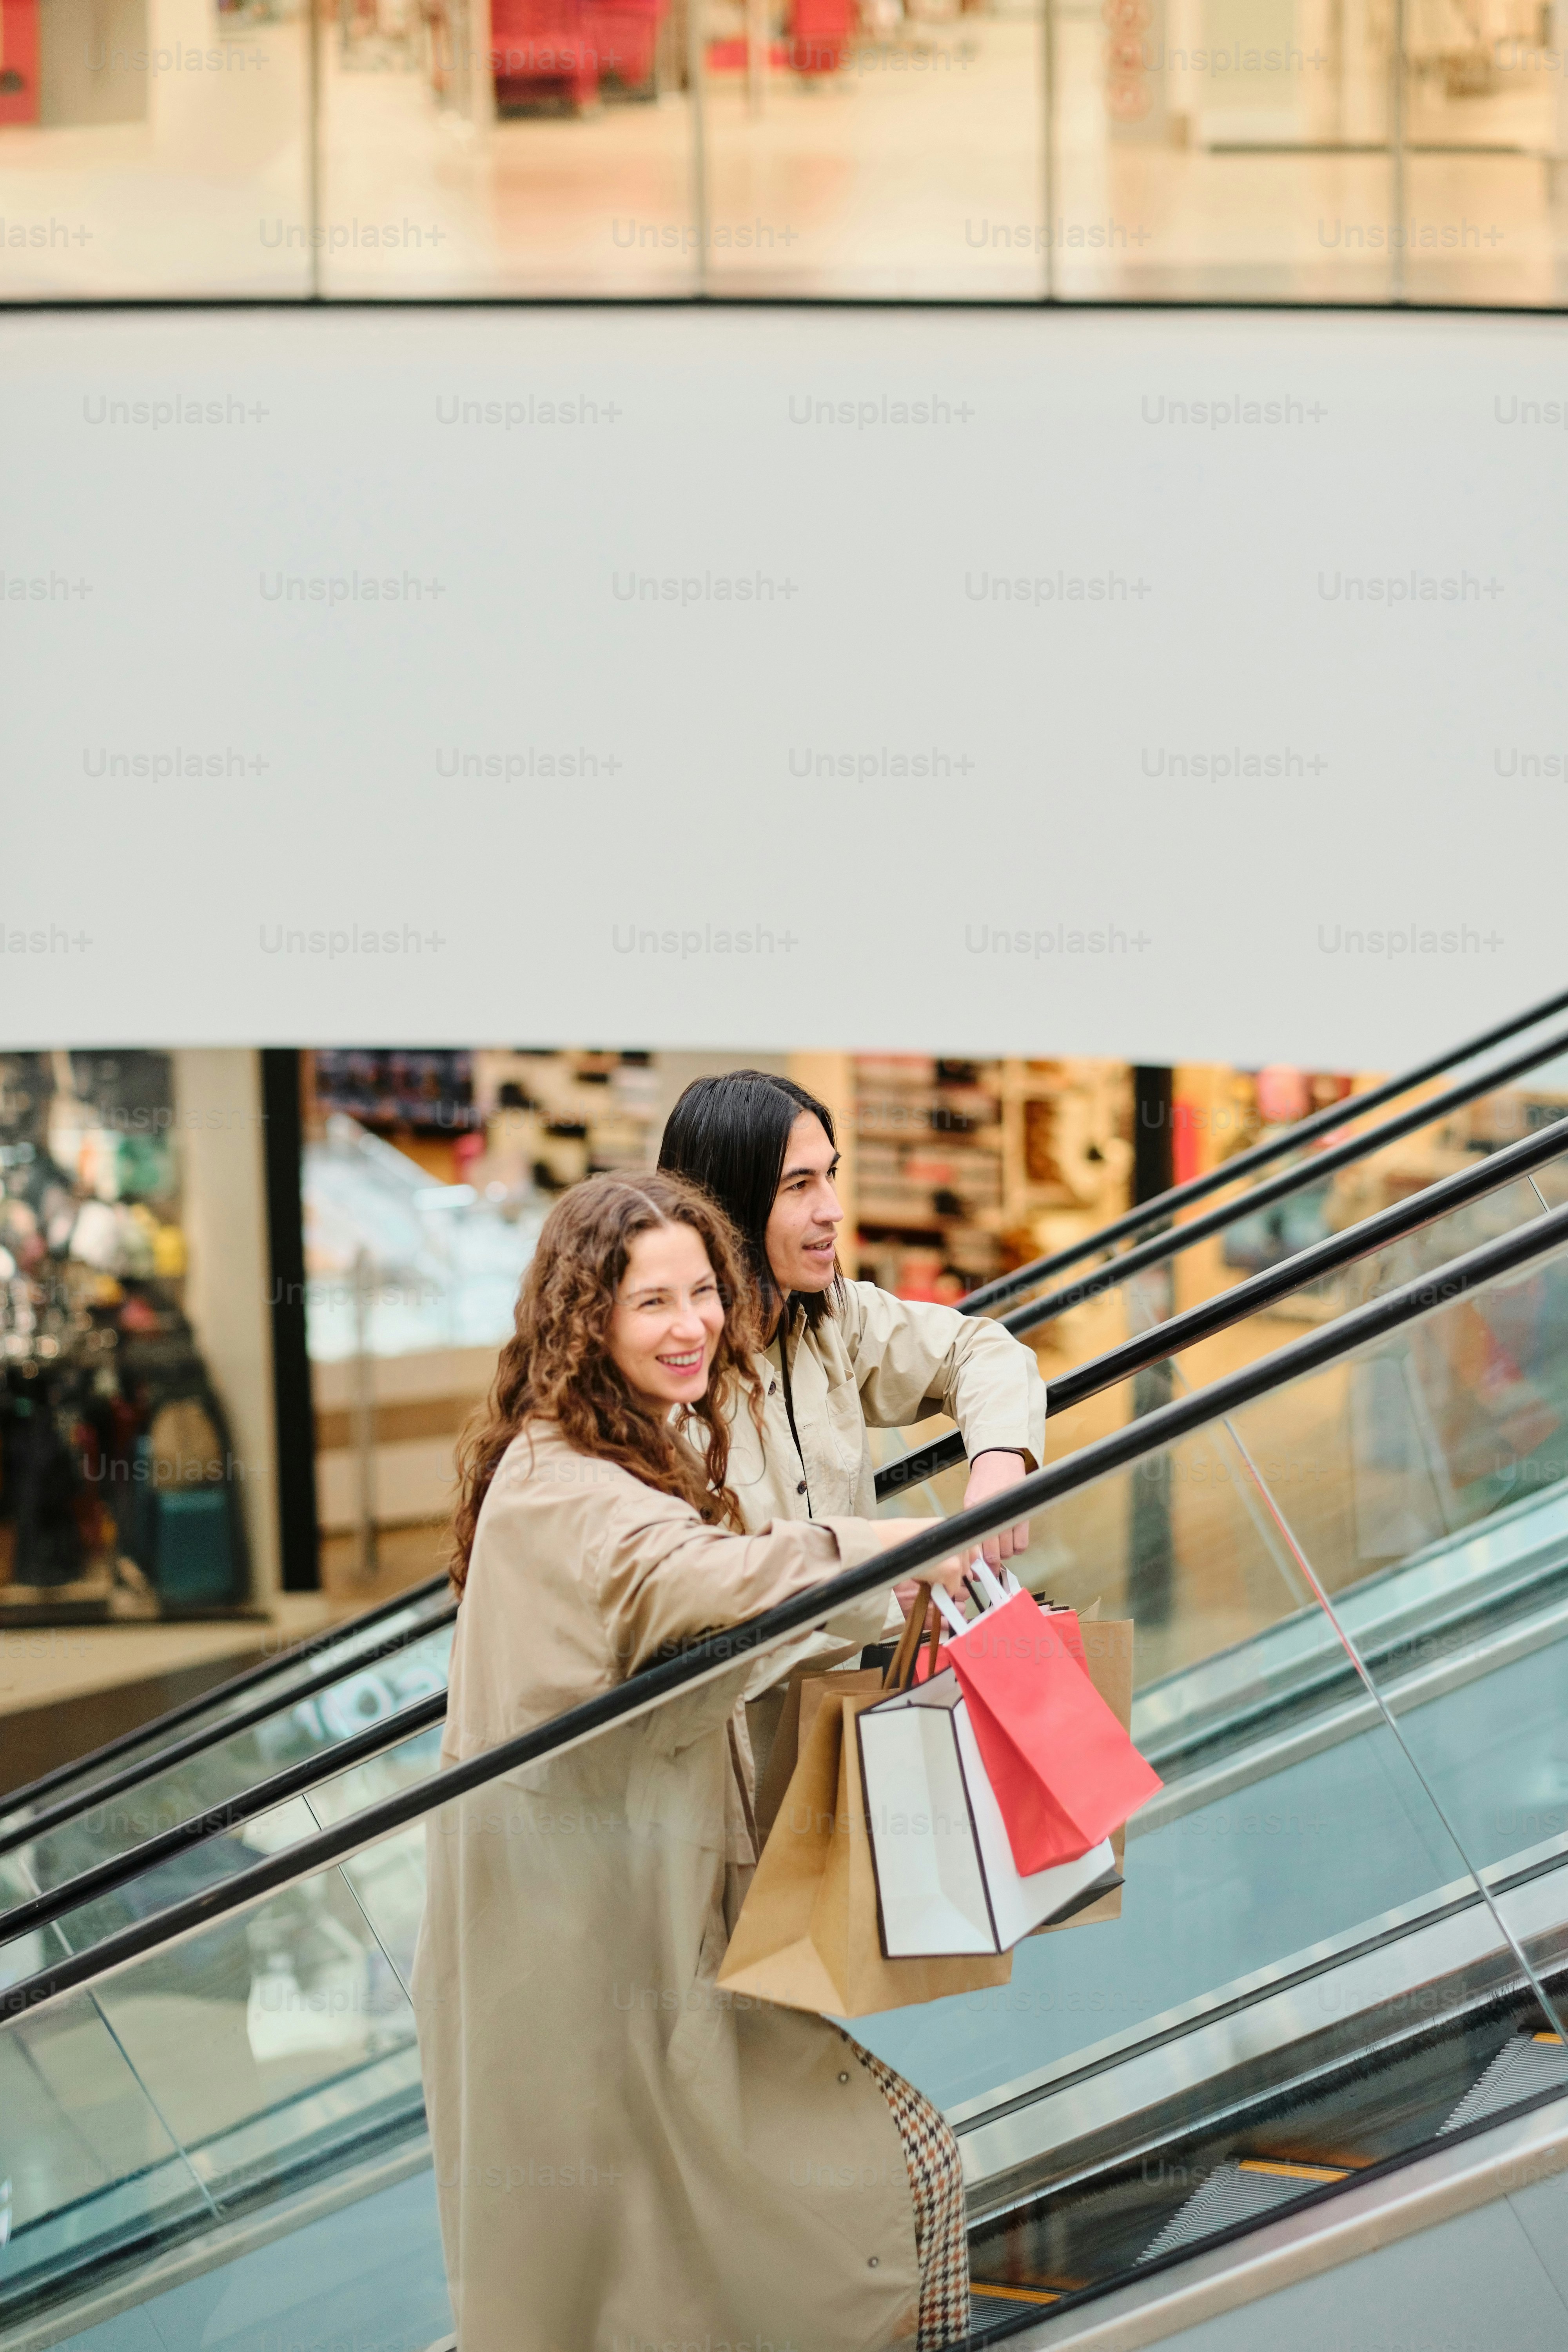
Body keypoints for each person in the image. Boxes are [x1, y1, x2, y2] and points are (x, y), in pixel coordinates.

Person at [412, 1169, 976, 2352]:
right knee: (901, 2175)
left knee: (665, 2271)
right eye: (653, 1304)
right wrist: (876, 1549)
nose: (694, 1326)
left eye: (705, 1294)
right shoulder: (567, 1488)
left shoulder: (594, 1452)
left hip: (631, 1946)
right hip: (609, 1966)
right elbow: (681, 1579)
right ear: (590, 1322)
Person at [657, 1071, 1047, 1576]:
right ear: (725, 1207)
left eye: (830, 1175)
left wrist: (999, 1457)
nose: (834, 1210)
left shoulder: (832, 1317)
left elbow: (977, 1348)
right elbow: (696, 1600)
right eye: (799, 1185)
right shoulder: (665, 1387)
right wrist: (887, 1597)